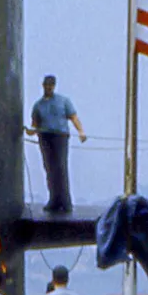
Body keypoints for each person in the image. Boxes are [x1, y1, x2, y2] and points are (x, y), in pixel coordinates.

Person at [25, 74, 87, 213]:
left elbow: (73, 117)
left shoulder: (63, 101)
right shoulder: (38, 105)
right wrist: (29, 132)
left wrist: (81, 131)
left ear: (54, 86)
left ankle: (66, 202)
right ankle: (54, 200)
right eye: (47, 85)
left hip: (60, 137)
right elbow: (35, 125)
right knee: (49, 169)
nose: (49, 87)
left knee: (61, 167)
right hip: (44, 137)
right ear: (43, 85)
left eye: (51, 85)